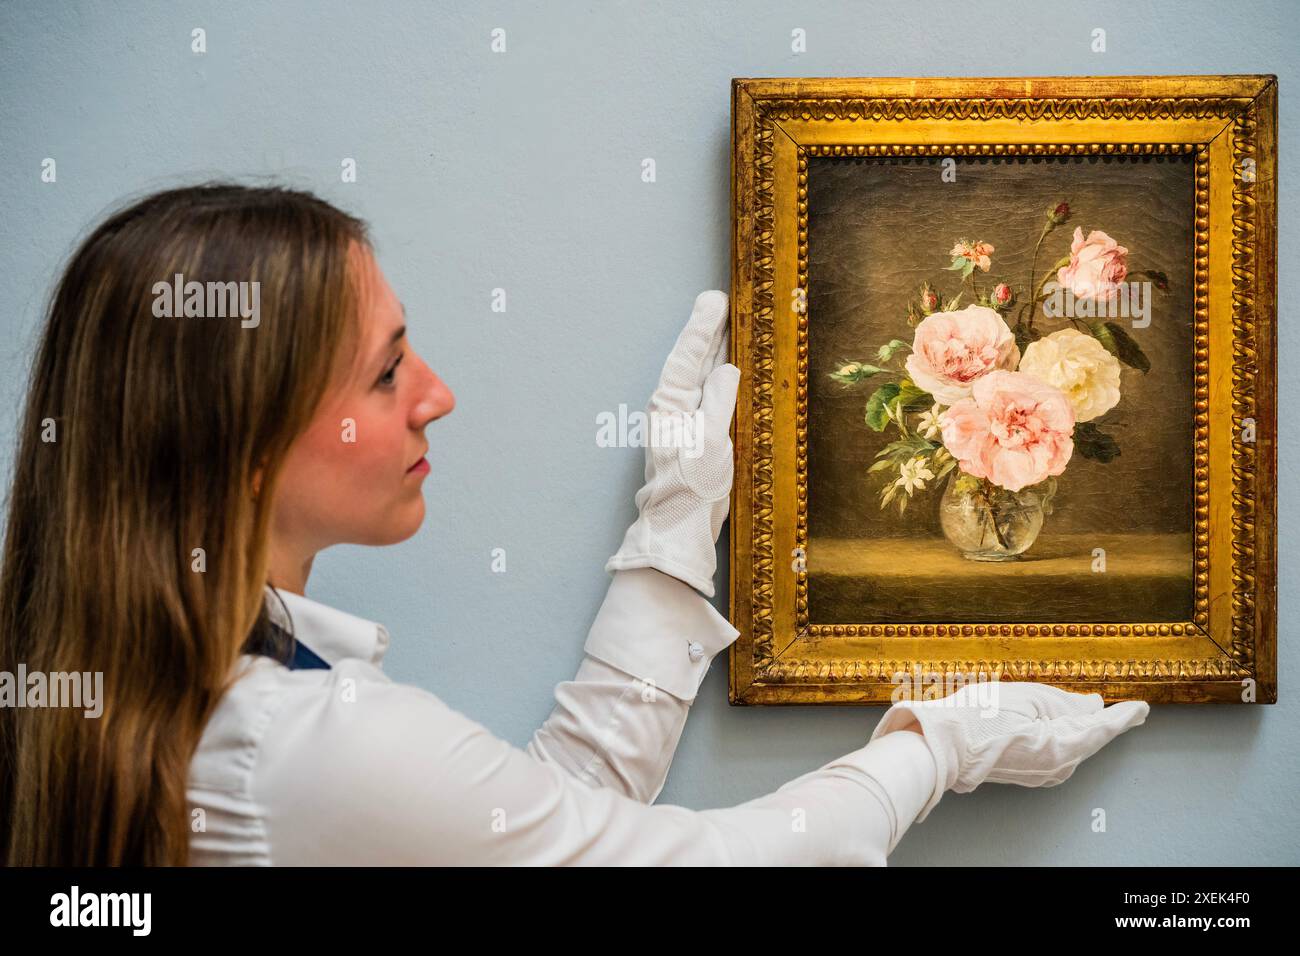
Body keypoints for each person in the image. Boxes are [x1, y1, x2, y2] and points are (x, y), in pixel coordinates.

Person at [0, 183, 1149, 866]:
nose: (436, 392)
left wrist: (674, 528)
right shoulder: (300, 743)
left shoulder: (200, 698)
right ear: (246, 445)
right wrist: (933, 748)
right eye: (386, 370)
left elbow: (545, 821)